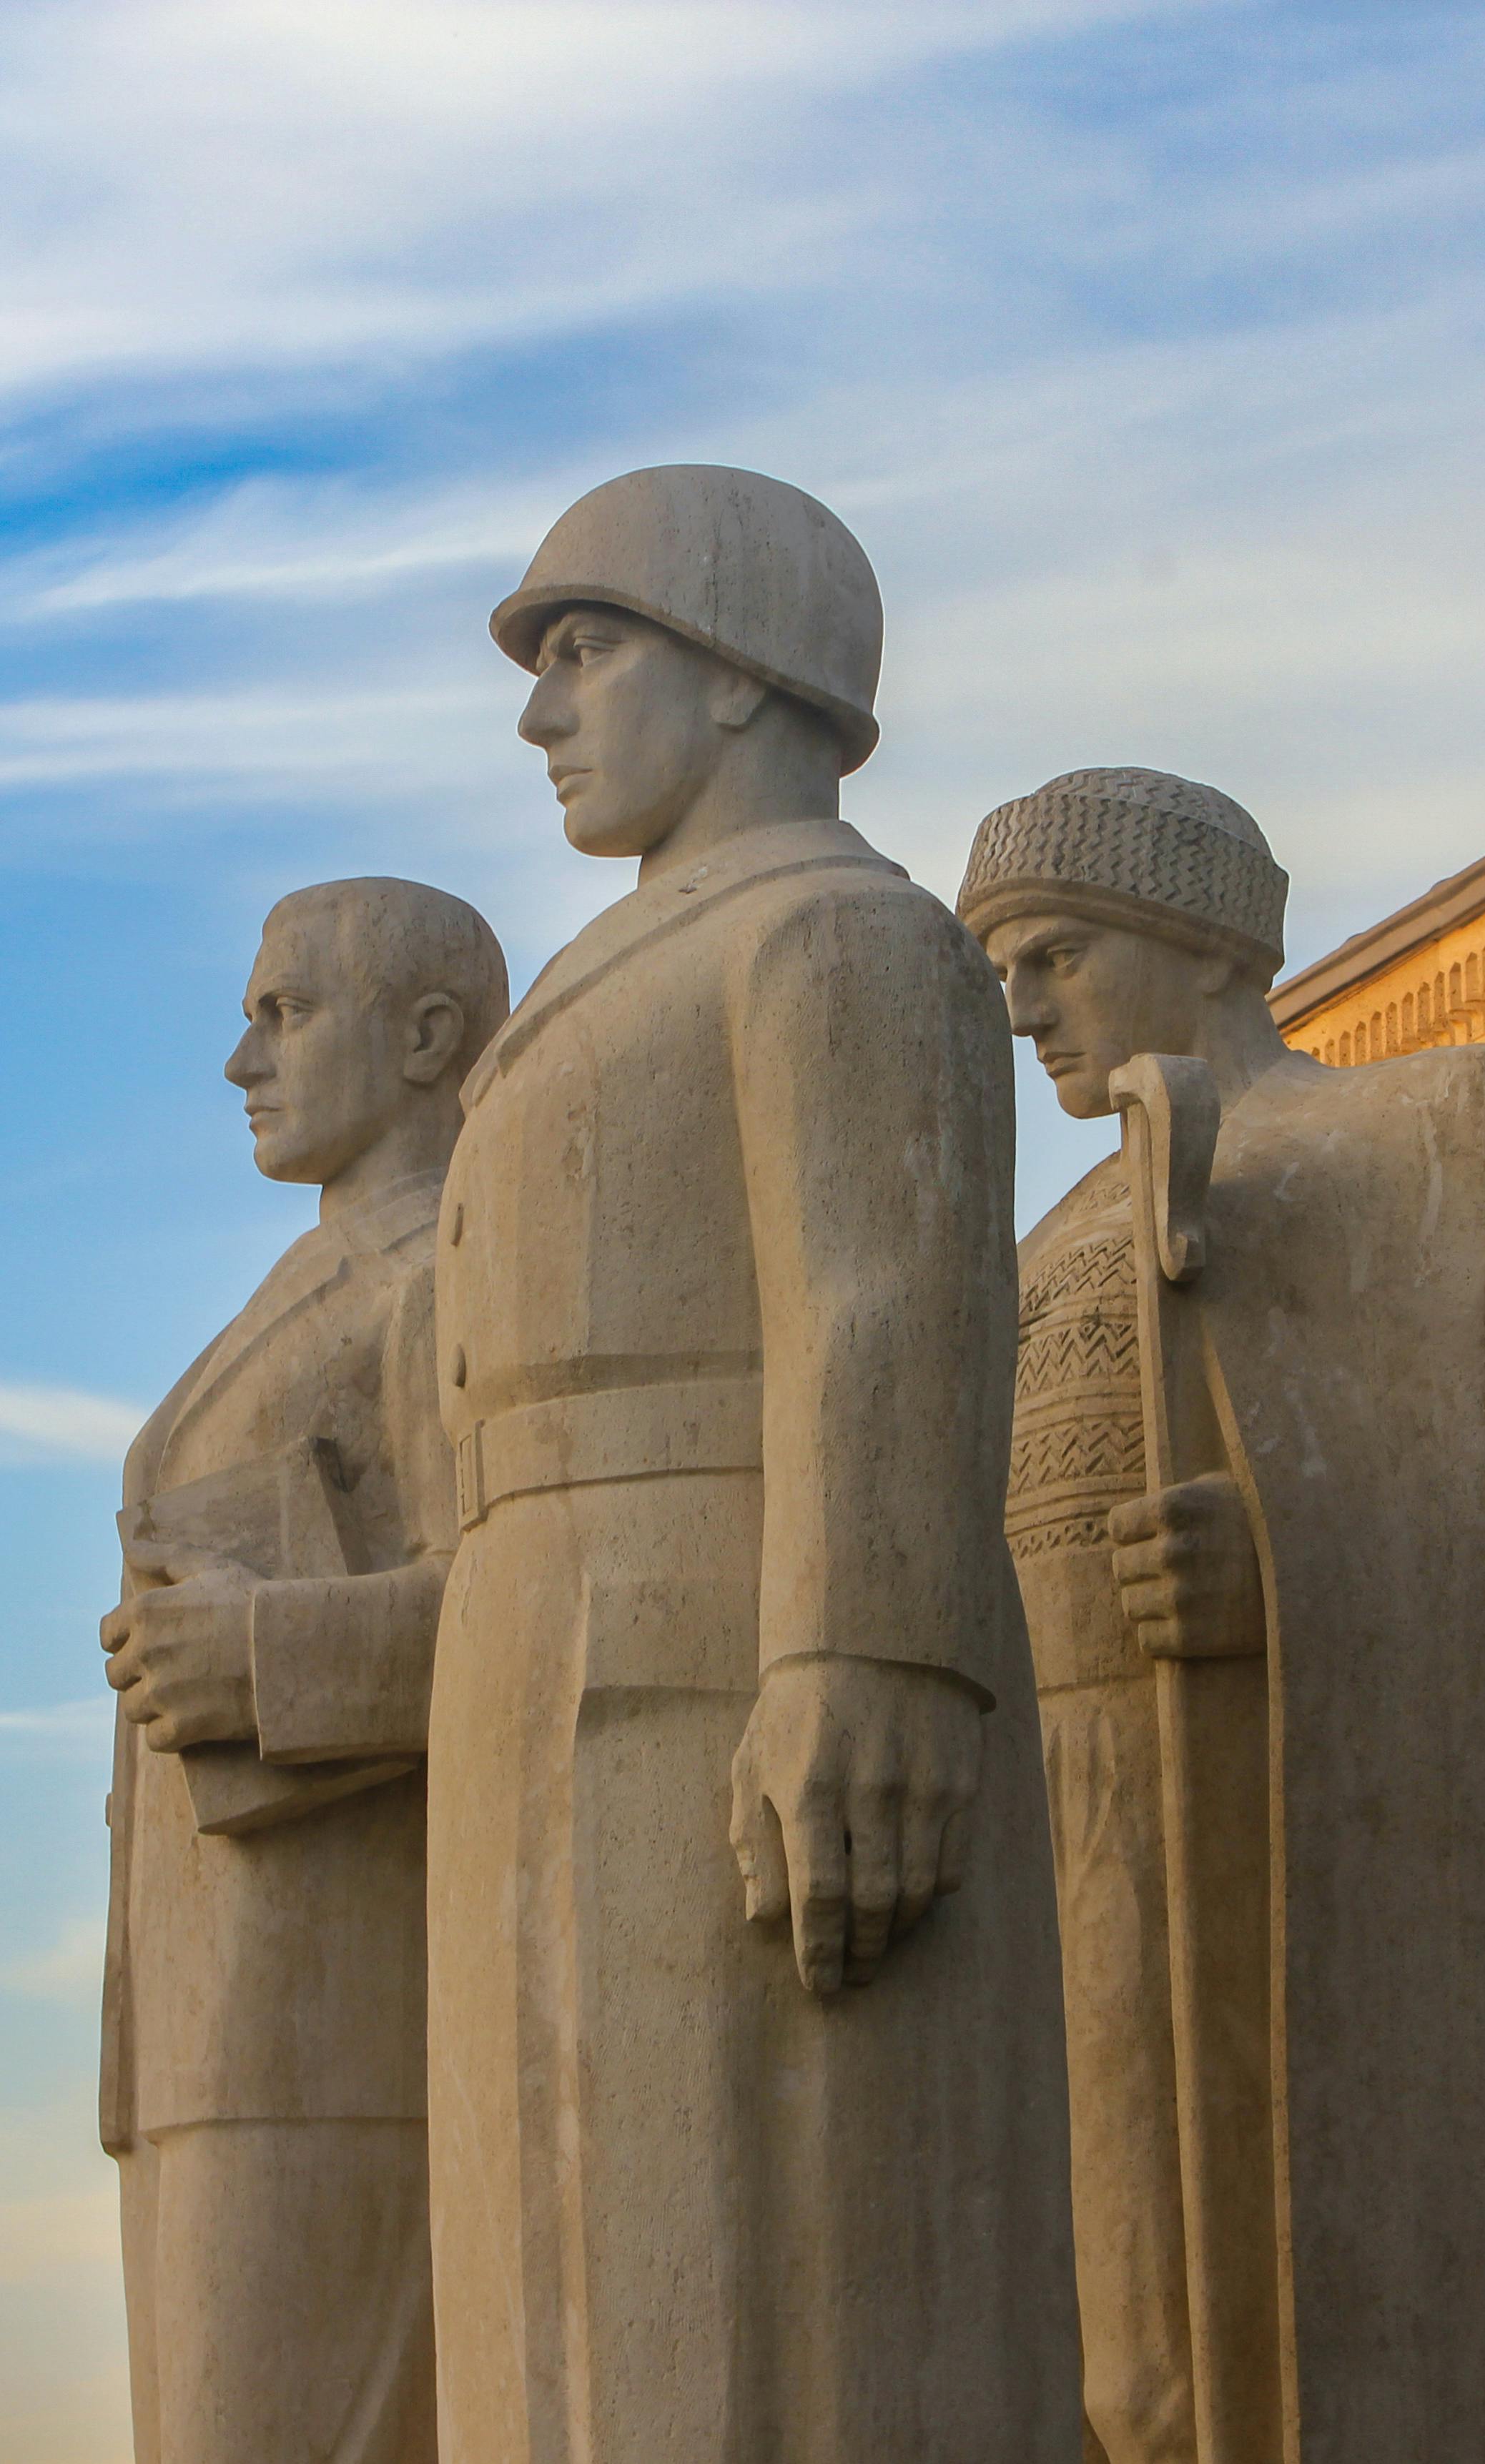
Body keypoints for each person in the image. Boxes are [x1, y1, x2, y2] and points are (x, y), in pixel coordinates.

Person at [426, 465, 1082, 2463]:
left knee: (764, 2243)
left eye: (588, 646)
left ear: (739, 675)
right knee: (559, 2257)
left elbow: (883, 1297)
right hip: (540, 1629)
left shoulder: (845, 934)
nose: (543, 709)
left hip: (733, 1619)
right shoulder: (603, 980)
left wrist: (866, 1656)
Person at [958, 766, 1485, 2464]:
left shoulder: (1404, 1139)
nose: (1021, 1010)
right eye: (1004, 969)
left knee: (1193, 2363)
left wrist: (1288, 1565)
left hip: (1243, 1803)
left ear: (1208, 943)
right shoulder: (1044, 1246)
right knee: (1080, 2351)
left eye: (1057, 955)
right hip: (1050, 1815)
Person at [100, 876, 508, 2464]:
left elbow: (518, 1590)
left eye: (285, 1011)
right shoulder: (311, 1283)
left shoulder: (451, 1275)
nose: (242, 1058)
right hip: (226, 2006)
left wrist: (267, 1652)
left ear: (422, 1037)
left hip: (336, 2013)